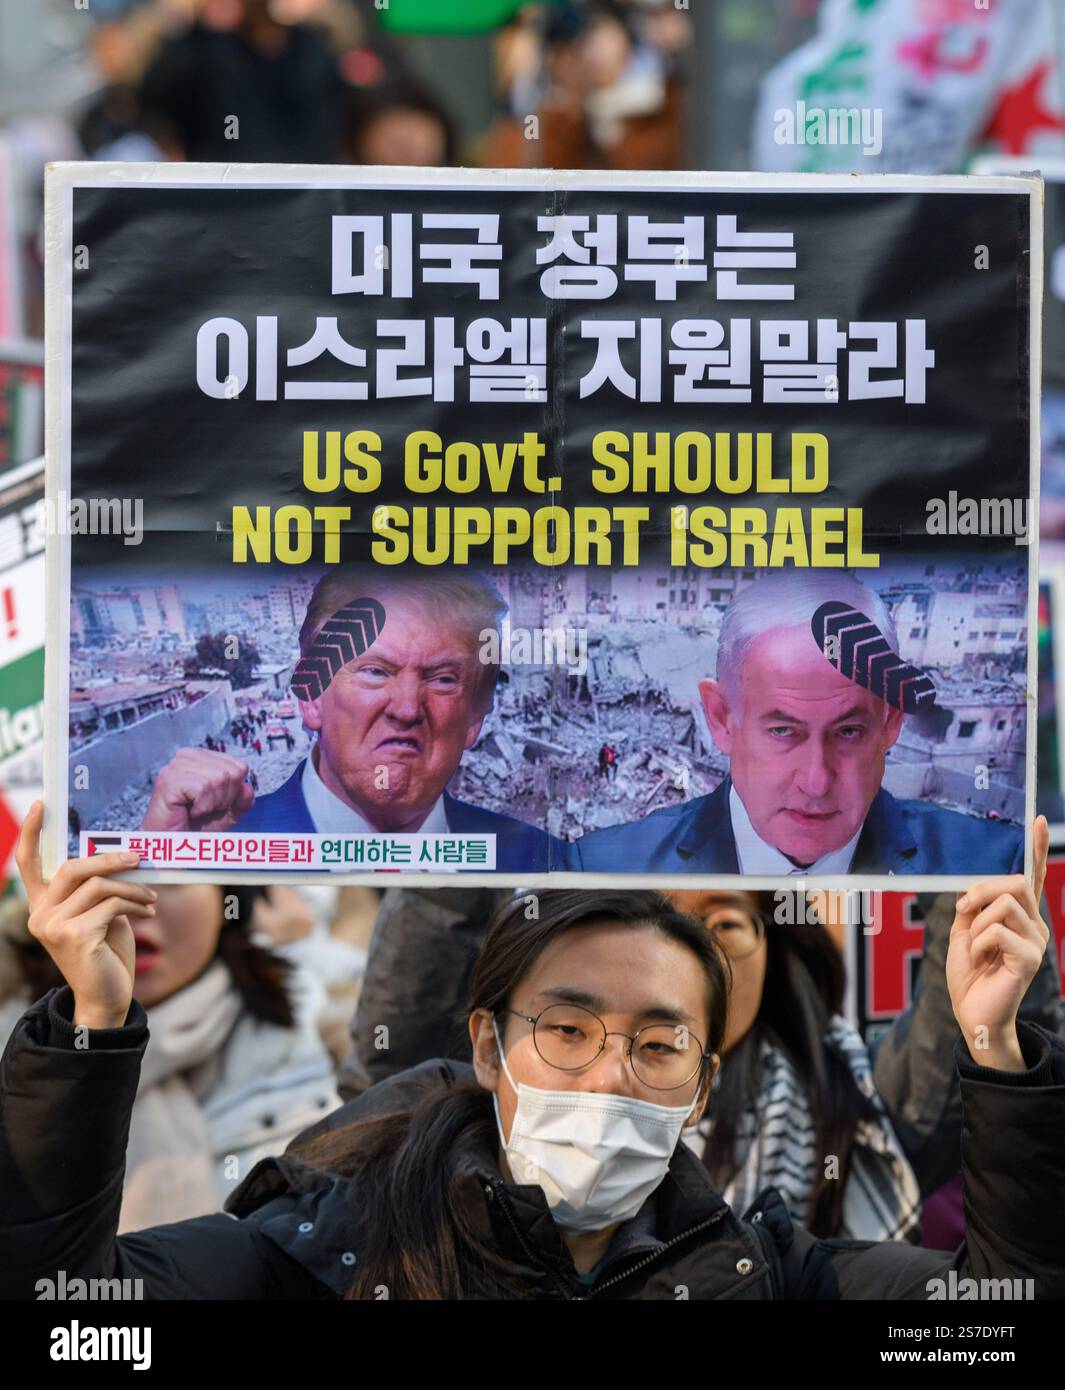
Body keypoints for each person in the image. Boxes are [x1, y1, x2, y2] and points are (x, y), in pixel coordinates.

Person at [2, 810, 1062, 1299]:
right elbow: (64, 1311)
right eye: (566, 1028)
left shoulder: (772, 1273)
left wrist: (998, 1048)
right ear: (488, 1045)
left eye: (658, 1043)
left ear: (700, 1074)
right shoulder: (321, 1251)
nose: (608, 1073)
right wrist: (92, 1023)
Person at [0, 806, 338, 1234]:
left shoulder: (324, 1036)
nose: (135, 906)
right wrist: (97, 1023)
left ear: (227, 898)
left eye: (171, 873)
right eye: (99, 880)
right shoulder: (13, 1055)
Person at [568, 571, 1024, 876]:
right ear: (722, 719)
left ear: (891, 723)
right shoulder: (606, 869)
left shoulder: (992, 866)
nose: (816, 781)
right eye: (783, 731)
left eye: (848, 732)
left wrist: (995, 1023)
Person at [140, 569, 560, 872]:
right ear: (310, 694)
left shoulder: (543, 866)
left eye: (443, 679)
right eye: (376, 671)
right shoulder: (203, 857)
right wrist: (152, 874)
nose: (407, 708)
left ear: (476, 716)